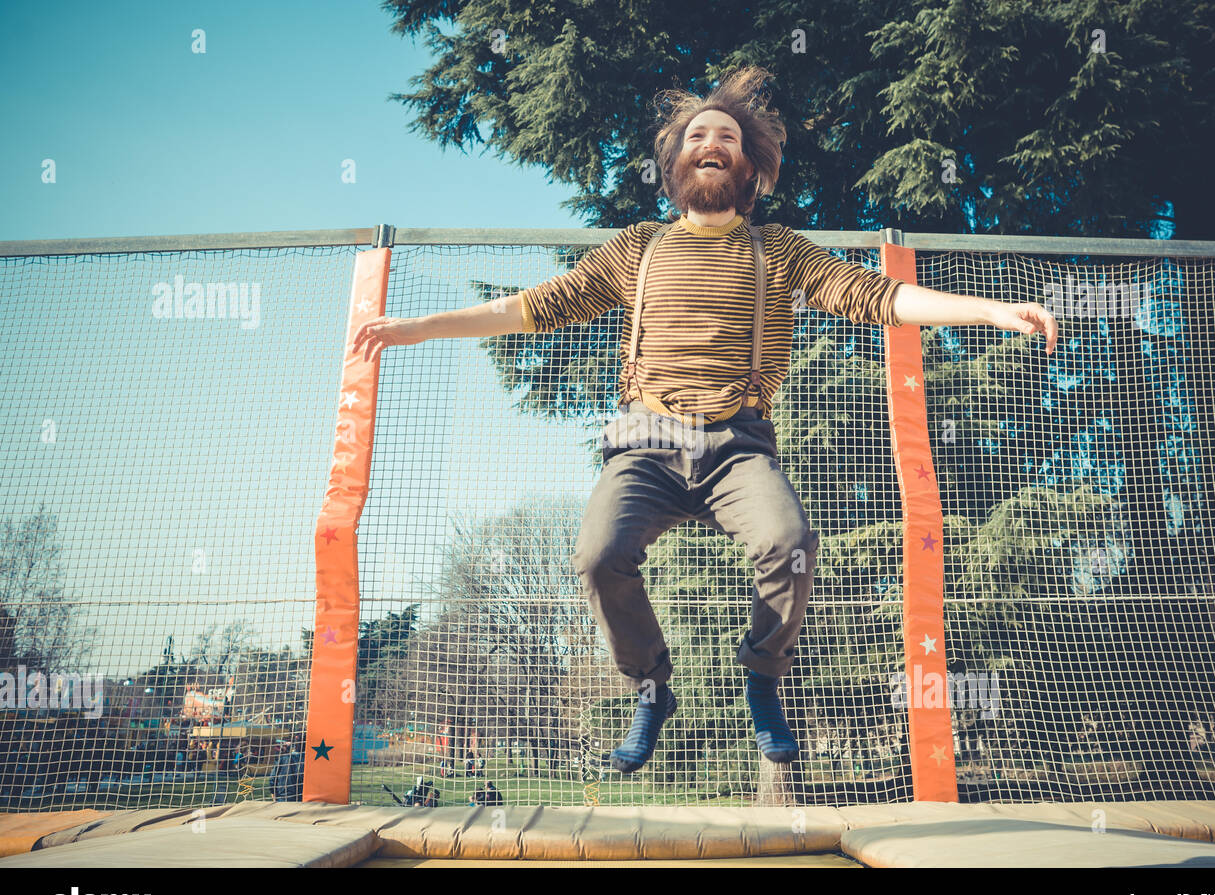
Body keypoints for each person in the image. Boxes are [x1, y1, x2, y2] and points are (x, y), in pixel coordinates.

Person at [351, 66, 1057, 774]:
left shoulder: (778, 250)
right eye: (697, 135)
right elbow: (533, 306)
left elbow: (876, 296)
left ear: (749, 165)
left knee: (790, 541)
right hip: (645, 443)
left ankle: (762, 677)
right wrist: (420, 327)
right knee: (597, 556)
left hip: (738, 444)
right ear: (677, 161)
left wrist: (992, 310)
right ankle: (652, 688)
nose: (711, 142)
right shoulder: (638, 248)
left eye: (726, 135)